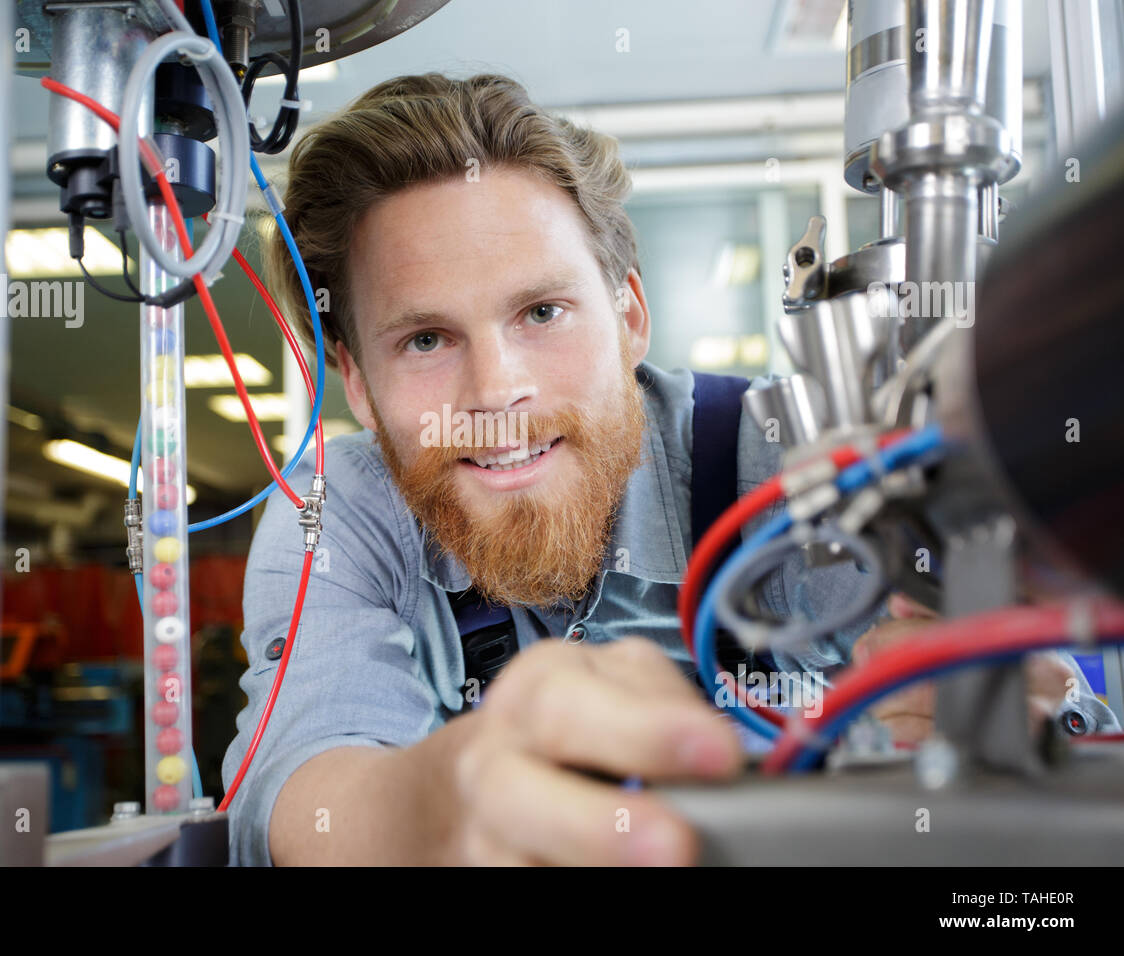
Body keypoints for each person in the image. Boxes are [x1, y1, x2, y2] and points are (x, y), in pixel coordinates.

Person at [222, 73, 1114, 866]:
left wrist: (1030, 719)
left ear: (631, 315)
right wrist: (438, 804)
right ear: (356, 384)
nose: (498, 391)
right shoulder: (340, 516)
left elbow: (1046, 714)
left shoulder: (797, 462)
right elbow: (306, 792)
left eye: (542, 311)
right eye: (424, 338)